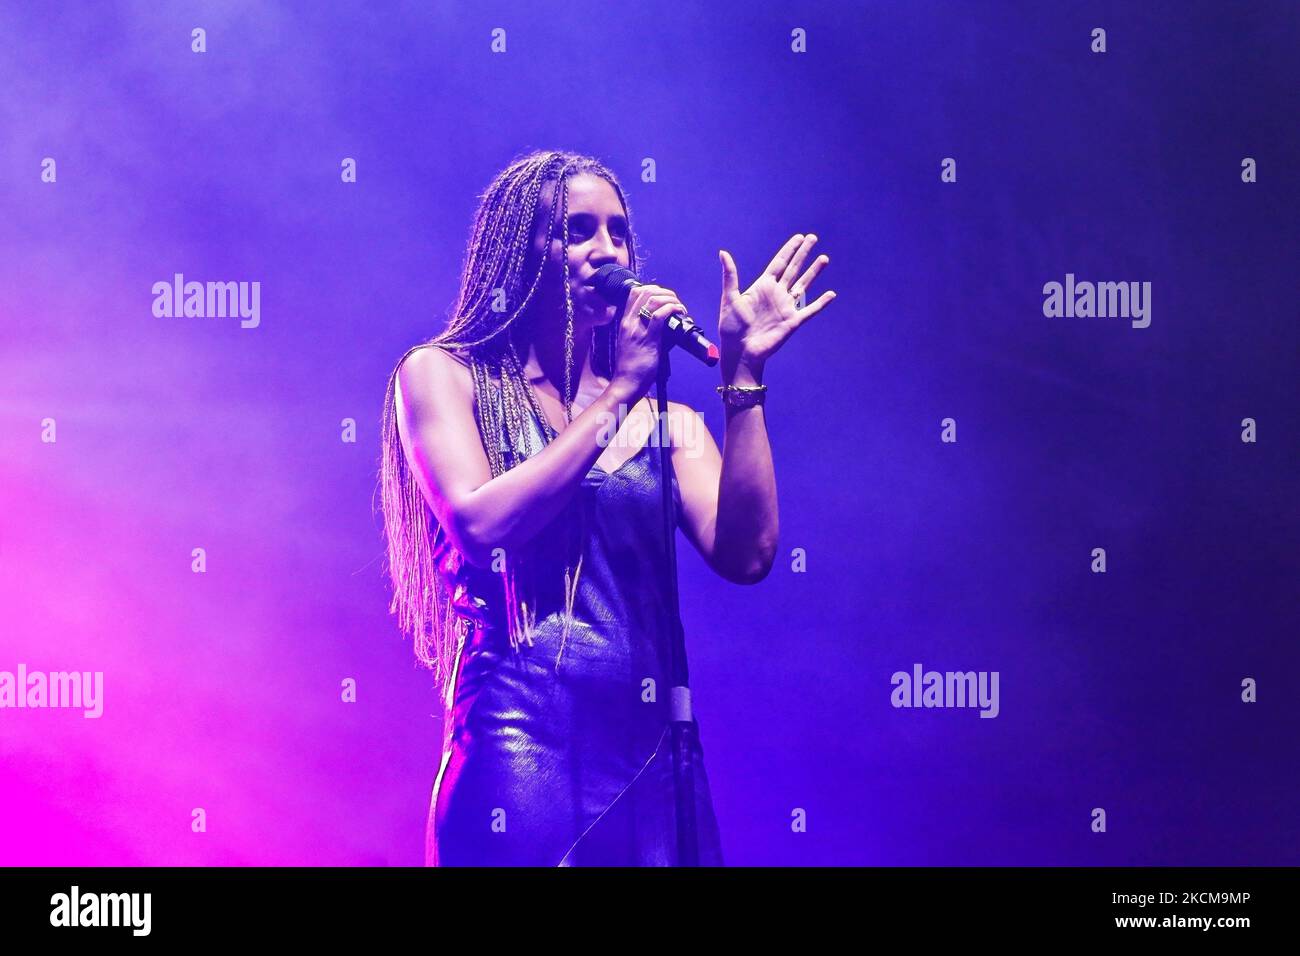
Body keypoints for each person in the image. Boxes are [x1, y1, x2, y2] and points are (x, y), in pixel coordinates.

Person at [378, 149, 835, 866]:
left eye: (619, 232)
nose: (608, 250)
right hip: (521, 740)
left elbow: (747, 554)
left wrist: (744, 380)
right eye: (578, 230)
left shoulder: (667, 420)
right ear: (518, 252)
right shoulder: (442, 374)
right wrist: (618, 392)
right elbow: (482, 525)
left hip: (650, 747)